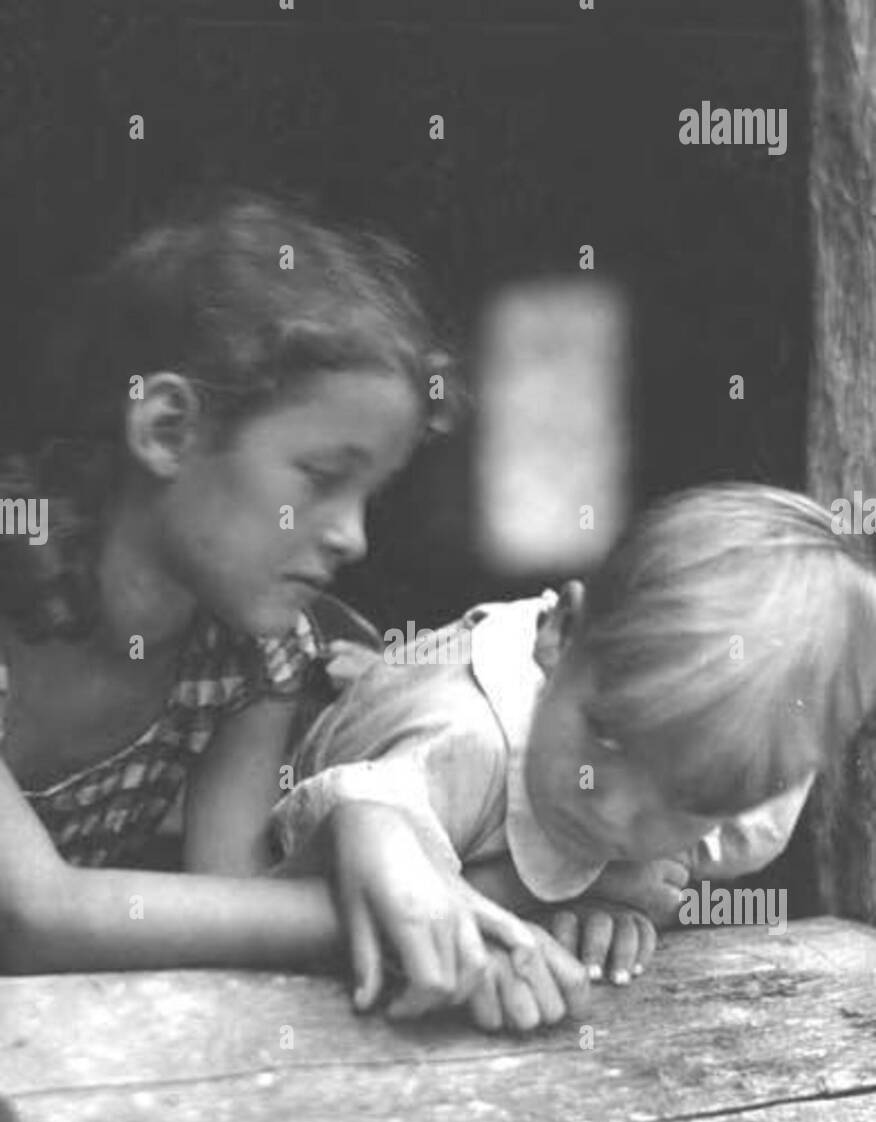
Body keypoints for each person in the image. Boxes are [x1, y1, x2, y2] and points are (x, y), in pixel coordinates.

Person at [0, 190, 590, 1032]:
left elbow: (226, 909)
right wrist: (433, 907)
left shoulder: (252, 656)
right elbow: (31, 918)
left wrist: (364, 827)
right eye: (319, 478)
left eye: (369, 497)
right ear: (168, 429)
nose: (352, 538)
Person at [252, 484, 876, 1015]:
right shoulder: (464, 746)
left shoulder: (734, 773)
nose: (616, 809)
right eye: (607, 736)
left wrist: (595, 893)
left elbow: (680, 868)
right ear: (560, 631)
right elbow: (307, 869)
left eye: (687, 798)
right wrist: (491, 926)